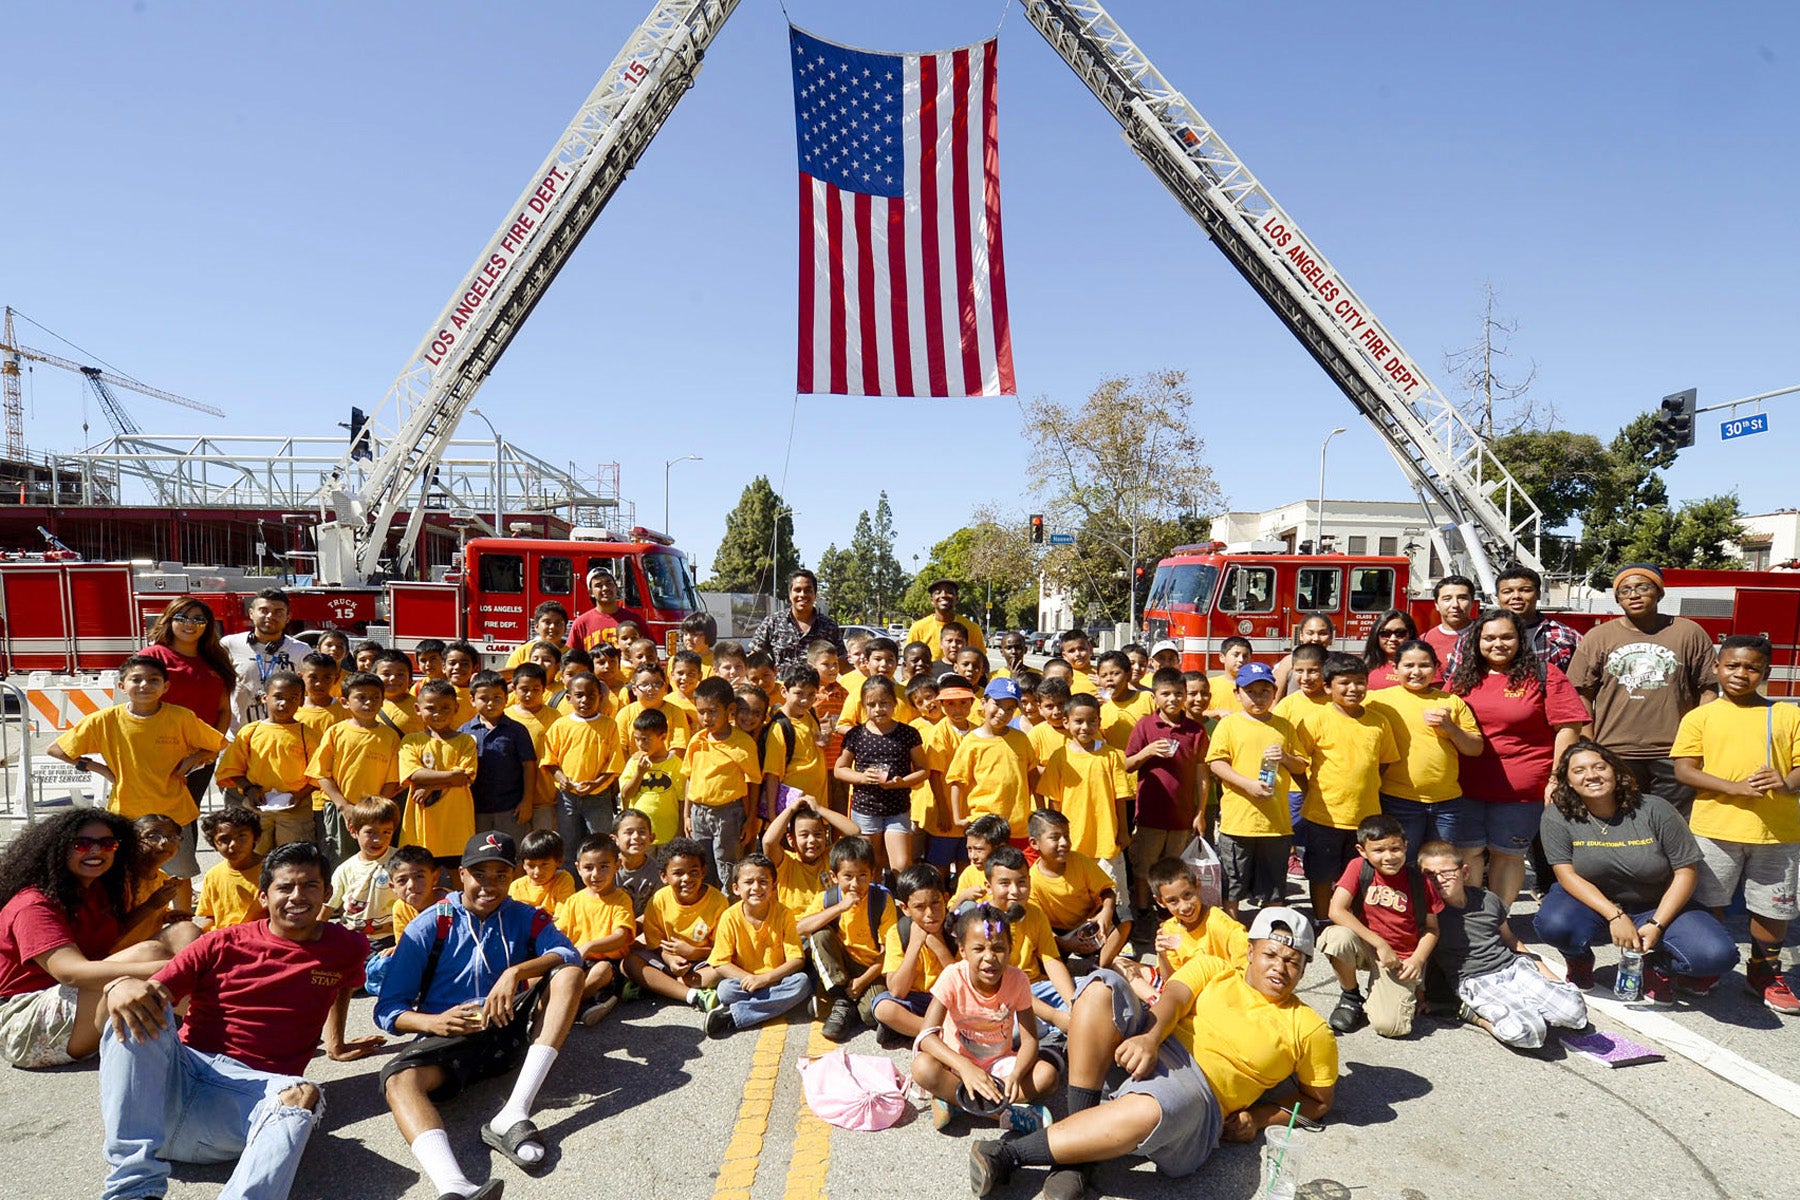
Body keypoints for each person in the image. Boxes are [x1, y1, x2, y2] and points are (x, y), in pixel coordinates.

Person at [969, 906, 1336, 1198]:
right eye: (1271, 954)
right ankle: (1078, 1161)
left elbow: (1317, 1100)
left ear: (1303, 971)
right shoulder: (1217, 968)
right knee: (1101, 987)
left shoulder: (1310, 1029)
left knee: (1152, 1105)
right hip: (1157, 1044)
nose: (1280, 967)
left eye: (1293, 961)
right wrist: (1150, 1038)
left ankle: (1009, 1156)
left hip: (1200, 1095)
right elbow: (1174, 997)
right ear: (1250, 951)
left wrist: (1258, 1118)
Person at [96, 841, 382, 1200]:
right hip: (174, 1087)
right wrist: (119, 986)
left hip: (245, 1106)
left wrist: (336, 1043)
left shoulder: (347, 947)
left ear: (326, 892)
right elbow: (131, 1010)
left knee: (300, 1095)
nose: (297, 896)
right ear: (264, 896)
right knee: (139, 1008)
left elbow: (347, 984)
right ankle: (133, 1191)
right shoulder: (220, 943)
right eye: (285, 887)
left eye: (310, 886)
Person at [375, 831, 584, 1195]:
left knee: (569, 974)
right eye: (479, 874)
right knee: (398, 1081)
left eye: (500, 876)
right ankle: (453, 1186)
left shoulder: (525, 915)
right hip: (447, 1038)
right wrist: (434, 1022)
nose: (489, 885)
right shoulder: (430, 923)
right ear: (460, 875)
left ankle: (515, 1111)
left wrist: (515, 971)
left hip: (506, 1030)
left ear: (512, 876)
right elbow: (388, 1009)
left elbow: (568, 954)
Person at [1536, 741, 1739, 1003]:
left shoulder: (1655, 809)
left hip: (1655, 903)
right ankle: (1579, 960)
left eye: (1600, 766)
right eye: (1579, 770)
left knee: (1717, 956)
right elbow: (1566, 874)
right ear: (1568, 781)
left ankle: (1658, 966)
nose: (1592, 775)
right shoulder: (1557, 816)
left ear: (1616, 772)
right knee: (1554, 924)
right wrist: (1615, 915)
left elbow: (1686, 872)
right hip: (1593, 904)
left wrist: (1656, 924)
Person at [1672, 635, 1800, 1013]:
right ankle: (1708, 964)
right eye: (1732, 665)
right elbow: (1684, 769)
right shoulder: (1700, 716)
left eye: (1752, 667)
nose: (1741, 674)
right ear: (1716, 668)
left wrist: (1787, 783)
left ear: (1767, 672)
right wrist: (1734, 788)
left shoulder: (1788, 714)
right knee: (1709, 901)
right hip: (1715, 828)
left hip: (1777, 832)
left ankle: (1764, 971)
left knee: (1773, 906)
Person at [0, 809, 180, 1069]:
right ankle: (217, 1029)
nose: (97, 851)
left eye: (108, 844)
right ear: (58, 849)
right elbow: (70, 973)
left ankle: (204, 1023)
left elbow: (112, 939)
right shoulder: (33, 905)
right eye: (81, 844)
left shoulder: (94, 890)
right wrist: (176, 968)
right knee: (149, 965)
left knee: (184, 933)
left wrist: (155, 908)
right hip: (27, 1019)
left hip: (80, 997)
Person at [1447, 609, 1588, 905]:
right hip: (1464, 785)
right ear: (1477, 641)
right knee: (1466, 852)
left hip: (1522, 788)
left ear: (1520, 640)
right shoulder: (1463, 677)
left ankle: (1498, 920)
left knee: (1507, 854)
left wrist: (1556, 778)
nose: (1498, 644)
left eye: (1507, 636)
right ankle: (1471, 919)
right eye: (1489, 638)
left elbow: (1568, 727)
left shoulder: (1544, 674)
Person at [48, 654, 227, 886]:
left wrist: (193, 759)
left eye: (153, 680)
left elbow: (219, 743)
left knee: (178, 876)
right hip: (126, 813)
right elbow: (57, 750)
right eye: (136, 679)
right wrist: (99, 768)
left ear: (166, 686)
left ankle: (182, 918)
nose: (145, 685)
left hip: (173, 812)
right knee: (128, 875)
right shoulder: (105, 720)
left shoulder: (181, 718)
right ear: (122, 686)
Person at [1567, 563, 1719, 815]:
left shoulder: (1688, 632)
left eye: (1642, 587)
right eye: (1625, 590)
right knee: (1623, 825)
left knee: (1672, 826)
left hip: (1675, 753)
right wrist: (1590, 743)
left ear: (1660, 593)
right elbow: (1582, 694)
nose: (1634, 595)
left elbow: (1708, 690)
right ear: (1617, 598)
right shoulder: (1598, 637)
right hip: (1615, 751)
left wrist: (1699, 741)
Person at [1417, 840, 1588, 1050]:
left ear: (1465, 872)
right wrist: (1420, 994)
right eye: (1429, 874)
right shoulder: (1428, 914)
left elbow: (1510, 939)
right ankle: (1474, 1015)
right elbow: (1420, 956)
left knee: (1575, 1013)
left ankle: (1529, 1004)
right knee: (1529, 1033)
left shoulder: (1488, 900)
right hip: (1475, 980)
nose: (1439, 880)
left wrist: (1548, 976)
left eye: (1447, 872)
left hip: (1513, 968)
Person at [911, 904, 1061, 1131]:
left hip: (998, 1065)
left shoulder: (1018, 980)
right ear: (962, 950)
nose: (989, 957)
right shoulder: (953, 976)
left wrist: (1017, 1075)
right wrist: (965, 1068)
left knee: (1046, 1077)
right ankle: (1006, 1114)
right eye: (978, 949)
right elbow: (926, 1036)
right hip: (957, 1065)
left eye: (999, 948)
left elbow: (1030, 1040)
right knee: (922, 1067)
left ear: (1011, 949)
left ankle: (955, 1099)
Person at [1319, 814, 1441, 1037]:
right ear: (1362, 850)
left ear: (1406, 845)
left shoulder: (1418, 881)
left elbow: (1432, 928)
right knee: (1336, 936)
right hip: (1366, 945)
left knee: (1391, 1027)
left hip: (1399, 959)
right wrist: (1380, 943)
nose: (1389, 857)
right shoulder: (1359, 867)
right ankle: (1350, 996)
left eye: (1395, 849)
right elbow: (1336, 910)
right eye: (1378, 850)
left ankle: (1381, 996)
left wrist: (1417, 959)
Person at [1366, 639, 1485, 859]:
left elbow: (1475, 748)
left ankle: (1433, 896)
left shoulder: (1452, 701)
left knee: (1440, 865)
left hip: (1447, 803)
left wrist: (1450, 727)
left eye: (1424, 665)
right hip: (1398, 799)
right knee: (1403, 862)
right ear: (1395, 668)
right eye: (1409, 665)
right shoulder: (1377, 701)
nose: (1416, 672)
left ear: (1436, 667)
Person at [1207, 662, 1304, 915]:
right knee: (1233, 884)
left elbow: (1301, 766)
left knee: (1273, 885)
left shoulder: (1284, 726)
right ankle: (1234, 928)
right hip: (1238, 821)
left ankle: (1270, 927)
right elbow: (1216, 763)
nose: (1258, 697)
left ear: (1274, 692)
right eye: (1251, 691)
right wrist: (1248, 785)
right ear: (1238, 694)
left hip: (1276, 823)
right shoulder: (1229, 725)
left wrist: (1284, 757)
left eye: (1264, 691)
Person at [139, 596, 235, 821]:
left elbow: (223, 710)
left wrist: (212, 749)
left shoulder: (216, 659)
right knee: (156, 819)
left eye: (198, 619)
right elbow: (139, 707)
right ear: (169, 620)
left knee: (187, 815)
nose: (190, 624)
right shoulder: (152, 656)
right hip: (158, 752)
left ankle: (186, 857)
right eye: (182, 617)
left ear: (208, 625)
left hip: (199, 757)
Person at [1039, 694, 1132, 915]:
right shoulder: (1060, 757)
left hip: (1106, 840)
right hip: (1073, 842)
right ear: (1066, 723)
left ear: (1099, 722)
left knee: (1113, 892)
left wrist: (1124, 832)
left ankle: (1118, 932)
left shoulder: (1111, 756)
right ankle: (1083, 936)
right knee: (1080, 895)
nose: (1085, 727)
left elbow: (1120, 797)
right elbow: (1054, 802)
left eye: (1092, 721)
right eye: (1078, 721)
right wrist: (1055, 837)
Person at [1124, 668, 1208, 914]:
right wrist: (1147, 751)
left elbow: (1202, 775)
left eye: (1178, 694)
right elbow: (1127, 765)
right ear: (1155, 697)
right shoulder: (1146, 726)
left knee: (1173, 871)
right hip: (1151, 815)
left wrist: (1200, 812)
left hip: (1181, 817)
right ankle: (1142, 910)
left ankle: (1168, 913)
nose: (1172, 699)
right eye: (1166, 694)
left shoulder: (1196, 730)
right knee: (1144, 868)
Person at [704, 851, 811, 1037]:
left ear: (773, 887)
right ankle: (782, 1004)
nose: (756, 887)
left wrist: (764, 979)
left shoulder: (784, 914)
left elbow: (796, 960)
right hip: (744, 981)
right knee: (725, 990)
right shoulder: (730, 916)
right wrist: (751, 979)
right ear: (736, 888)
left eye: (763, 881)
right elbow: (720, 962)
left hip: (777, 979)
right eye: (749, 882)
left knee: (801, 983)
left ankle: (733, 1015)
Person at [799, 836, 896, 1042]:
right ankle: (841, 999)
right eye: (848, 876)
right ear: (835, 876)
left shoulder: (881, 900)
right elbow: (800, 928)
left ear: (872, 874)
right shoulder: (829, 898)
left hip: (870, 968)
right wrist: (840, 908)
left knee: (872, 1016)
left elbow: (888, 952)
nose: (855, 884)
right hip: (840, 965)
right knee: (820, 934)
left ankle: (844, 1007)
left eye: (862, 875)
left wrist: (861, 982)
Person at [305, 672, 401, 871]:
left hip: (376, 816)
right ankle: (338, 901)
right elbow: (321, 774)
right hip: (340, 811)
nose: (369, 702)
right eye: (361, 697)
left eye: (375, 697)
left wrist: (375, 810)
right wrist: (344, 806)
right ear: (345, 702)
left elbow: (393, 780)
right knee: (339, 860)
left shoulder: (389, 736)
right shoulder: (335, 732)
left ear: (383, 702)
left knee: (376, 862)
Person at [215, 669, 318, 852]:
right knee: (255, 853)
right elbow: (232, 769)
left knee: (293, 854)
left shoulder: (307, 735)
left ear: (302, 701)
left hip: (295, 808)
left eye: (293, 698)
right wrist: (249, 789)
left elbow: (318, 773)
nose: (284, 703)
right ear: (264, 698)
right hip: (257, 806)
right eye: (278, 697)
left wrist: (300, 795)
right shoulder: (250, 732)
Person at [622, 837, 729, 1010]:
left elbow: (723, 950)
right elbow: (654, 943)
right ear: (664, 876)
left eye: (693, 872)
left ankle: (658, 986)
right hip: (667, 960)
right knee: (629, 963)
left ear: (703, 872)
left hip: (702, 962)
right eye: (678, 873)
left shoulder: (718, 902)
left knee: (722, 971)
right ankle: (693, 995)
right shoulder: (659, 900)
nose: (687, 878)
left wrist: (694, 952)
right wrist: (670, 959)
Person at [836, 676, 929, 873]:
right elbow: (839, 769)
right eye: (872, 704)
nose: (878, 709)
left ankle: (899, 899)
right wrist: (861, 777)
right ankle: (874, 901)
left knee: (901, 865)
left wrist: (902, 782)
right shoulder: (856, 735)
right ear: (863, 706)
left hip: (897, 807)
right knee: (870, 865)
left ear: (895, 703)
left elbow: (923, 769)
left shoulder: (908, 733)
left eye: (884, 703)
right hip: (865, 809)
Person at [684, 676, 763, 887]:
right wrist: (686, 815)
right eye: (701, 712)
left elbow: (753, 784)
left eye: (712, 711)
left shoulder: (743, 744)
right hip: (698, 813)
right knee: (701, 863)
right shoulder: (697, 740)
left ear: (729, 710)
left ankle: (729, 909)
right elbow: (690, 778)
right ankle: (708, 909)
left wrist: (751, 818)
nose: (706, 718)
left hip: (728, 814)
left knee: (727, 865)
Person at [1029, 808, 1132, 969]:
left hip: (1091, 923)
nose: (1064, 842)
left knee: (1124, 915)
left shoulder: (1080, 861)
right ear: (1034, 843)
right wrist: (1067, 944)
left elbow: (1108, 892)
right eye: (1055, 838)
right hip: (1059, 935)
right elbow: (1038, 924)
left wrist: (1105, 914)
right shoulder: (1033, 880)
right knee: (1039, 952)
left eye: (1066, 836)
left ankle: (1100, 966)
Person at [398, 680, 481, 868]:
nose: (438, 713)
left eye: (445, 707)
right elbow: (414, 775)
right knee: (421, 876)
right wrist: (449, 778)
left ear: (456, 708)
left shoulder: (465, 741)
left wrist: (431, 786)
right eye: (431, 708)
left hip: (456, 825)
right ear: (418, 709)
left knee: (459, 877)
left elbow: (465, 778)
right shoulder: (411, 741)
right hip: (422, 828)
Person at [544, 671, 622, 870]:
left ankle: (605, 886)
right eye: (579, 695)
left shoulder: (609, 725)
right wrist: (562, 779)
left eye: (591, 695)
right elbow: (550, 761)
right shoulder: (560, 726)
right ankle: (572, 888)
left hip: (598, 797)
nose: (585, 700)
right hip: (567, 798)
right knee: (569, 845)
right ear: (569, 698)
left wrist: (595, 784)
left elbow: (613, 764)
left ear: (600, 697)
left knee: (601, 844)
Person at [556, 833, 636, 1026]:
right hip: (578, 960)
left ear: (617, 865)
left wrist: (590, 946)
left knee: (601, 971)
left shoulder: (621, 899)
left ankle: (567, 1006)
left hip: (609, 964)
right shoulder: (574, 901)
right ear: (578, 868)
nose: (596, 874)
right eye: (588, 868)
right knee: (555, 971)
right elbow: (560, 933)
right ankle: (585, 1005)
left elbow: (620, 936)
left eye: (604, 867)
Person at [947, 680, 1038, 849]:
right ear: (983, 703)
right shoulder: (972, 742)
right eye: (997, 704)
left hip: (1018, 826)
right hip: (985, 825)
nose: (1003, 712)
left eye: (1010, 708)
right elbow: (957, 780)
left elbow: (1032, 775)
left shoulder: (1021, 739)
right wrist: (958, 818)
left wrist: (1039, 812)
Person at [1445, 563, 1581, 677]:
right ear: (1497, 596)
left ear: (1538, 594)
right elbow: (1454, 681)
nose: (1516, 596)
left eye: (1525, 590)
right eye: (1507, 591)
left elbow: (1580, 684)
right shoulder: (1473, 635)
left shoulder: (1566, 636)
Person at [871, 864, 953, 1044]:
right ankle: (940, 1033)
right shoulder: (898, 932)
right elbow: (898, 991)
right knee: (883, 1007)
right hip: (914, 1001)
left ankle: (917, 1032)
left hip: (947, 1000)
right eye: (919, 907)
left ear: (946, 898)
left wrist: (938, 945)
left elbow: (964, 982)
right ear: (905, 908)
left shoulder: (956, 929)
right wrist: (915, 944)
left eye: (935, 903)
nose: (930, 914)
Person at [220, 588, 310, 732]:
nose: (270, 616)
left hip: (284, 734)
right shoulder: (229, 644)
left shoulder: (301, 651)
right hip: (238, 736)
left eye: (278, 612)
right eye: (263, 610)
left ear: (288, 617)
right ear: (251, 614)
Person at [465, 669, 539, 843]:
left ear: (506, 698)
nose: (491, 703)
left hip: (511, 808)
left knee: (512, 852)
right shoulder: (464, 732)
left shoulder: (517, 730)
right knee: (481, 853)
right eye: (484, 699)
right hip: (476, 808)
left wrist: (527, 801)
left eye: (497, 698)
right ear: (472, 700)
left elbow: (528, 766)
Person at [1148, 856, 1247, 977]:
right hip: (1187, 990)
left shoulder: (1222, 924)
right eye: (1173, 901)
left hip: (1222, 988)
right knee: (1122, 965)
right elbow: (1171, 982)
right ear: (1160, 902)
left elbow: (1246, 971)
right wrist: (1162, 956)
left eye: (1188, 895)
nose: (1184, 907)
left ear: (1198, 885)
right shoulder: (1169, 930)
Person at [326, 797, 400, 946]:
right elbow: (328, 906)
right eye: (370, 832)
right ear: (354, 831)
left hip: (394, 937)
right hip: (354, 937)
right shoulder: (345, 869)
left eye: (386, 832)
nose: (378, 839)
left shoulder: (400, 861)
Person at [749, 570, 847, 672]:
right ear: (790, 594)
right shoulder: (772, 623)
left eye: (808, 590)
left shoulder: (829, 627)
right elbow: (754, 660)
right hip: (782, 686)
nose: (802, 594)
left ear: (815, 594)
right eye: (797, 590)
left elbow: (843, 665)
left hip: (817, 687)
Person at [621, 707, 685, 848]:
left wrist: (680, 831)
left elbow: (682, 802)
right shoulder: (634, 762)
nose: (640, 744)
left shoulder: (675, 764)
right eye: (637, 739)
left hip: (668, 833)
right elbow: (626, 794)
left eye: (645, 739)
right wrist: (639, 772)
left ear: (662, 737)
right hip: (640, 836)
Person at [195, 806, 266, 932]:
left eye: (242, 836)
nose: (233, 844)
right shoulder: (213, 875)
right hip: (223, 938)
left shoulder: (272, 872)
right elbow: (211, 916)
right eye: (224, 839)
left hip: (258, 937)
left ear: (256, 837)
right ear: (214, 845)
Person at [567, 567, 645, 654]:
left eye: (609, 583)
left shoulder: (635, 620)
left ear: (616, 588)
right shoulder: (581, 623)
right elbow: (571, 660)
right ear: (591, 593)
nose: (605, 588)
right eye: (598, 585)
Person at [907, 579, 987, 661]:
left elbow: (982, 662)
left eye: (949, 592)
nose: (943, 595)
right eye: (938, 593)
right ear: (932, 600)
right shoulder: (918, 628)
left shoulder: (972, 629)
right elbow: (909, 662)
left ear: (957, 599)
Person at [509, 830, 576, 915]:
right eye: (531, 866)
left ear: (559, 861)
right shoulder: (516, 887)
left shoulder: (563, 880)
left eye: (544, 865)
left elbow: (563, 918)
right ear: (523, 865)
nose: (537, 872)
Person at [1421, 574, 1478, 668]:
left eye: (1462, 598)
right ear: (1436, 604)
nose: (1455, 604)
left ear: (1472, 602)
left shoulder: (1485, 636)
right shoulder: (1425, 640)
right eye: (1447, 599)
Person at [1272, 615, 1335, 696]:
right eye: (1310, 633)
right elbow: (1274, 702)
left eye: (1322, 633)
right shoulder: (1289, 662)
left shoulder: (1338, 662)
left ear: (1331, 636)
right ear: (1301, 635)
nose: (1316, 638)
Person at [503, 601, 570, 675]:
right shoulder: (522, 653)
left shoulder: (571, 655)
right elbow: (509, 680)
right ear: (536, 626)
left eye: (558, 623)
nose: (552, 627)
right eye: (547, 622)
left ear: (565, 628)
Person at [1360, 608, 1419, 690]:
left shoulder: (1422, 665)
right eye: (1385, 633)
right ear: (1376, 635)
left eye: (1400, 633)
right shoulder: (1362, 666)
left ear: (1410, 633)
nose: (1393, 638)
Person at [1203, 637, 1252, 717]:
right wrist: (1217, 712)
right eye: (1236, 655)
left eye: (1245, 656)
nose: (1241, 659)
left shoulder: (1254, 685)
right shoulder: (1209, 685)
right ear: (1222, 657)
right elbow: (1193, 713)